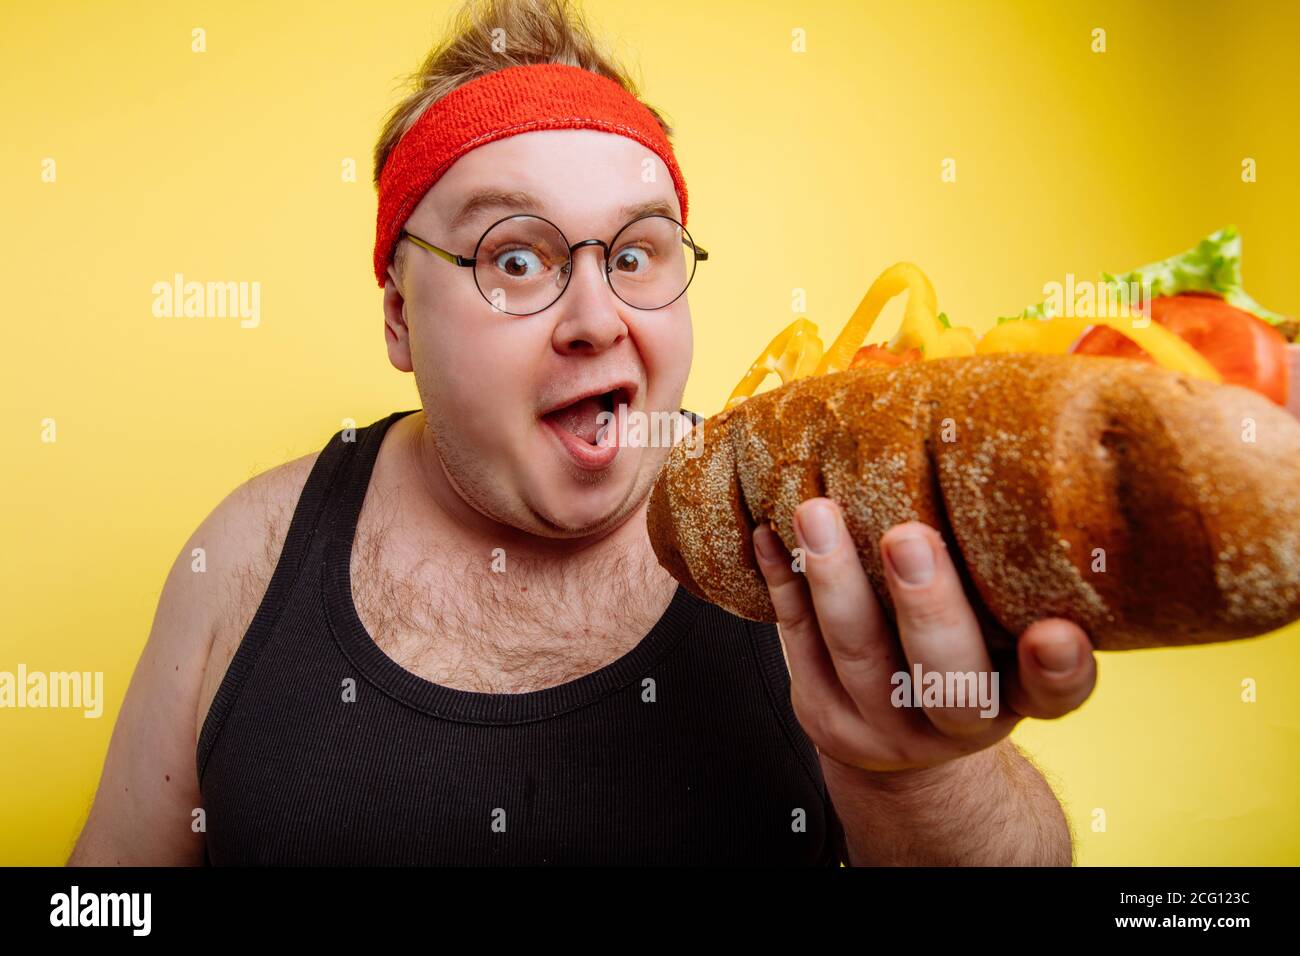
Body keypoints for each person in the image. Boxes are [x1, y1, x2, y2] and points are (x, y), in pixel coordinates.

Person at [68, 0, 1095, 866]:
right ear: (396, 317)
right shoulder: (244, 553)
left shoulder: (809, 517)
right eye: (515, 258)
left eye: (640, 253)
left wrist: (909, 768)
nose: (598, 318)